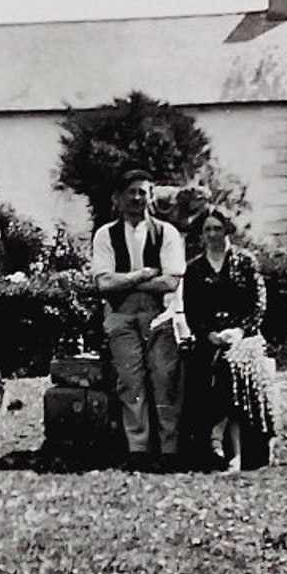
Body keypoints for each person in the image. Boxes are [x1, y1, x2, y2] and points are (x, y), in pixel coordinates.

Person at [91, 169, 186, 467]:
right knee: (130, 383)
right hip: (121, 317)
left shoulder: (166, 233)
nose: (136, 198)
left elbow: (171, 281)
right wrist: (142, 275)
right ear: (118, 198)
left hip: (160, 316)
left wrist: (125, 282)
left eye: (142, 192)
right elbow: (103, 283)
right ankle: (138, 450)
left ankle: (169, 449)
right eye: (130, 192)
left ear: (150, 196)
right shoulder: (105, 235)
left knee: (165, 381)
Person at [179, 207, 269, 469]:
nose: (212, 234)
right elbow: (192, 310)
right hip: (209, 337)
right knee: (206, 366)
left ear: (227, 229)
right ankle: (206, 447)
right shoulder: (194, 268)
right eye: (207, 229)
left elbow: (259, 304)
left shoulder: (246, 262)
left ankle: (224, 439)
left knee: (231, 365)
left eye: (217, 228)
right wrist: (209, 334)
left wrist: (239, 331)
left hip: (244, 337)